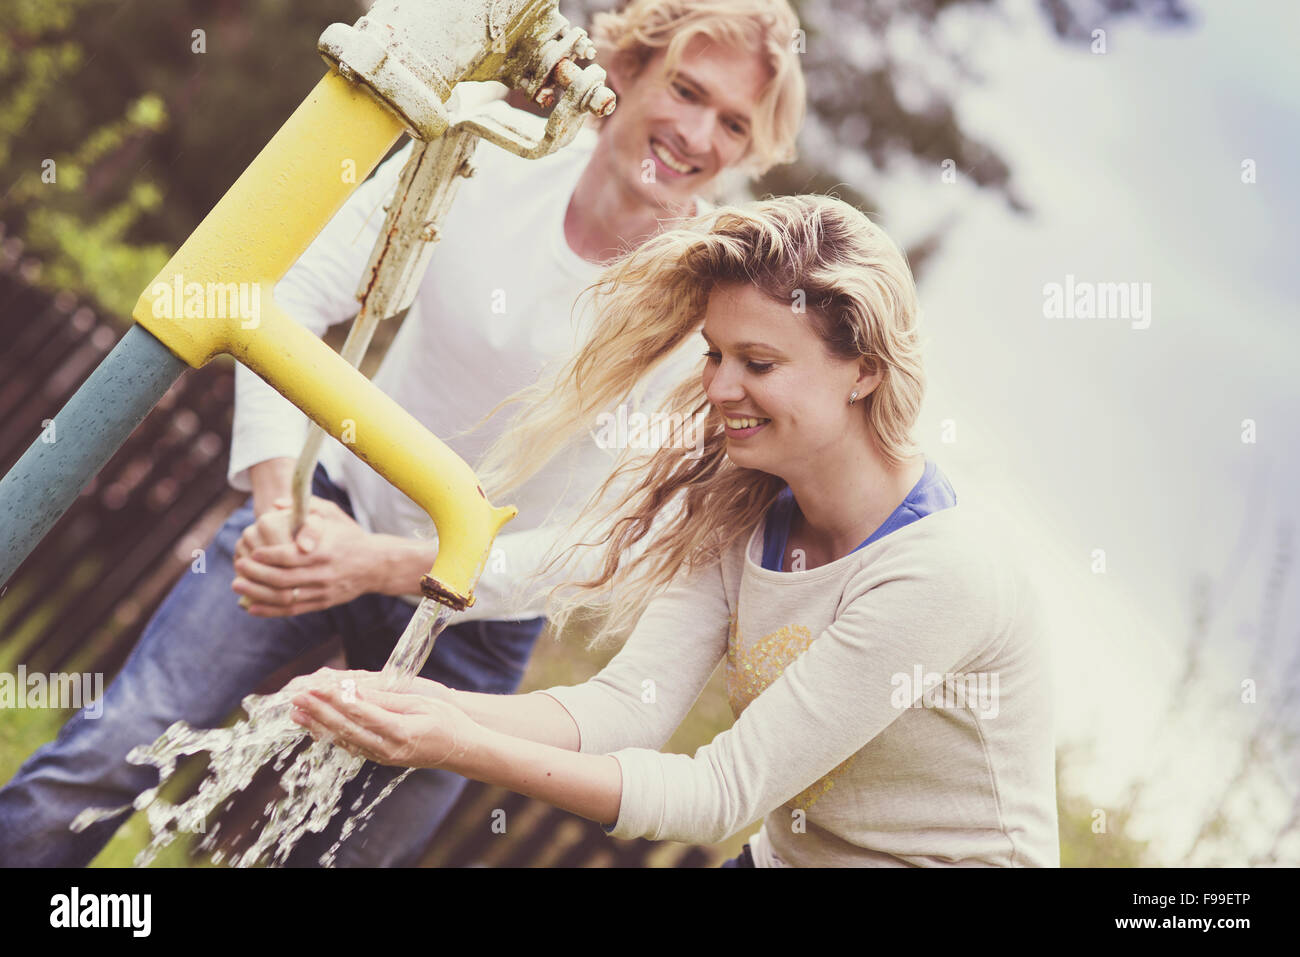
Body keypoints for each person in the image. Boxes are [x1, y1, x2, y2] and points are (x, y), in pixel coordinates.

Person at [0, 0, 807, 867]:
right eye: (686, 91)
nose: (698, 135)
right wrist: (283, 506)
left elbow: (608, 540)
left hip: (474, 617)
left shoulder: (708, 309)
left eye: (732, 124)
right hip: (329, 510)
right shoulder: (483, 160)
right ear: (626, 70)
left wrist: (391, 564)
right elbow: (292, 291)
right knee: (105, 751)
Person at [290, 194, 1062, 867]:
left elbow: (720, 791)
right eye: (715, 354)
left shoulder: (942, 573)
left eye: (758, 362)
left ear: (862, 369)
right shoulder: (744, 503)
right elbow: (624, 706)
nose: (722, 387)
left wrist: (456, 743)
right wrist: (405, 703)